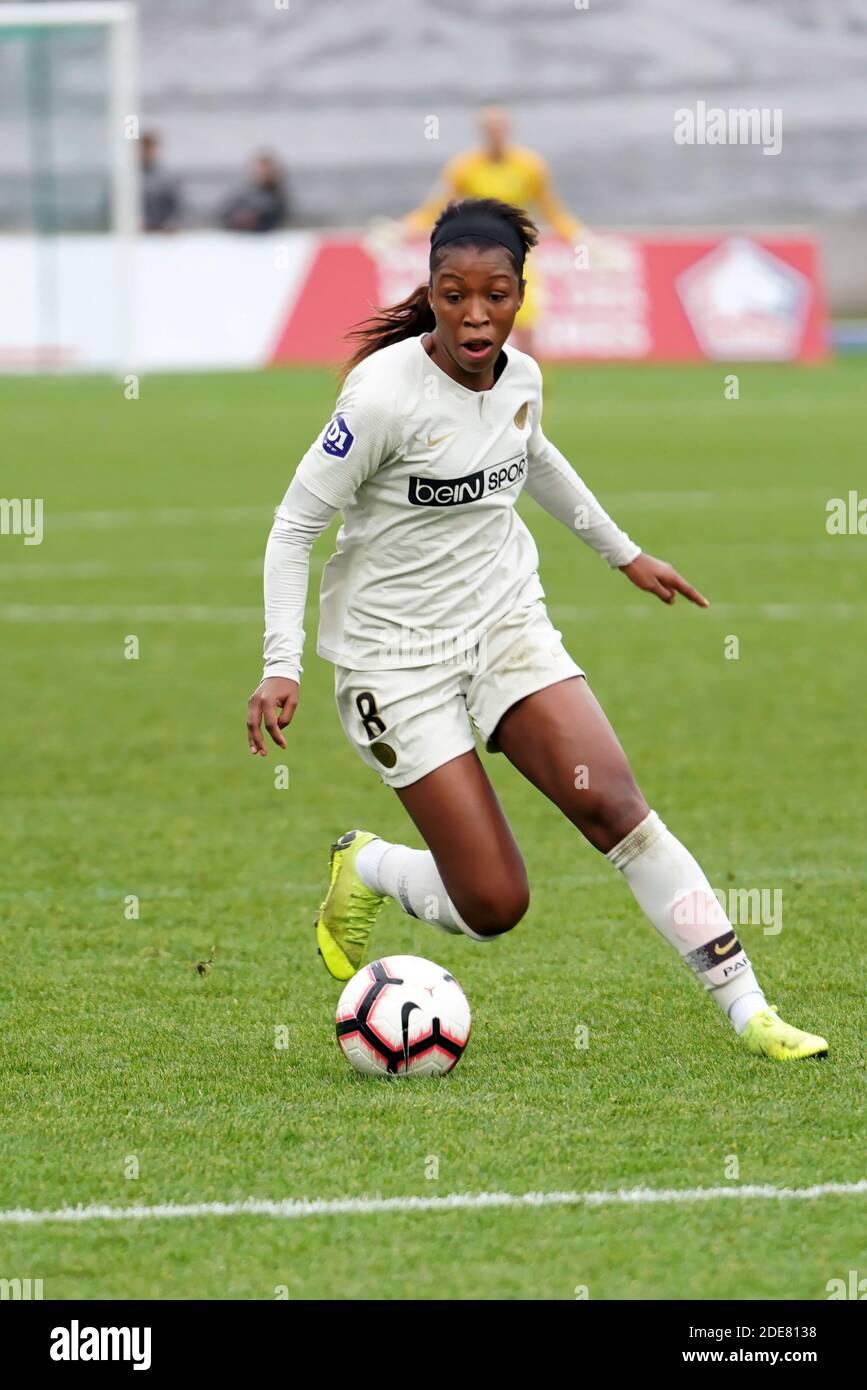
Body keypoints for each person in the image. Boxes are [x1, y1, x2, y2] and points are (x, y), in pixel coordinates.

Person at [247, 197, 827, 1063]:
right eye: (453, 295)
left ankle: (750, 1010)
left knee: (614, 807)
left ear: (522, 293)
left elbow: (534, 453)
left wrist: (622, 553)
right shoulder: (380, 398)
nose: (475, 315)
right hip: (391, 663)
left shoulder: (520, 377)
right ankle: (367, 866)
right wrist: (279, 664)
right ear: (430, 294)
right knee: (493, 905)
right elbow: (294, 528)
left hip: (502, 625)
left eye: (495, 294)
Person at [403, 105, 582, 353]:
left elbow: (552, 211)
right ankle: (466, 385)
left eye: (499, 127)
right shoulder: (465, 167)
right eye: (489, 128)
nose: (494, 133)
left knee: (526, 325)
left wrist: (582, 239)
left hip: (515, 256)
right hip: (472, 258)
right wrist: (401, 230)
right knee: (465, 323)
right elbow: (435, 208)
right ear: (482, 131)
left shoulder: (530, 166)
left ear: (508, 130)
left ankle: (527, 389)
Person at [220, 152, 288, 232]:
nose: (264, 172)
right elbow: (224, 212)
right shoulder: (242, 189)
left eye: (267, 168)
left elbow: (278, 215)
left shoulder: (277, 192)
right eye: (261, 168)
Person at [140, 131, 180, 232]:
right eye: (143, 148)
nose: (145, 152)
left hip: (159, 233)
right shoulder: (126, 178)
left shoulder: (166, 177)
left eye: (149, 148)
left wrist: (169, 224)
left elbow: (176, 208)